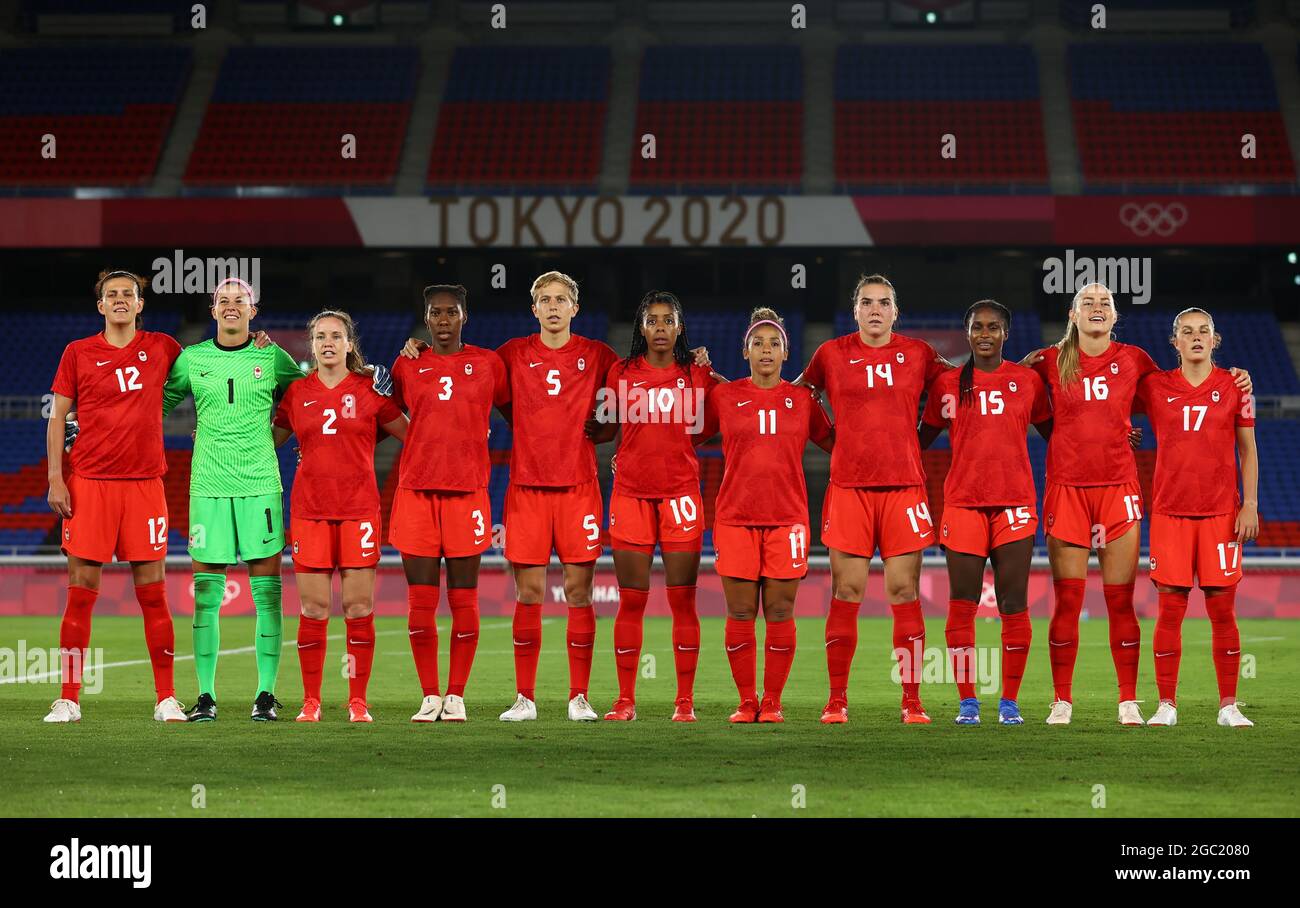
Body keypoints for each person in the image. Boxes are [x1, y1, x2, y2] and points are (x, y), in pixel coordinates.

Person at [163, 276, 393, 722]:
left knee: (267, 595)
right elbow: (153, 406)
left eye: (240, 301)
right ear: (212, 310)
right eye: (223, 301)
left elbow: (317, 390)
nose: (231, 307)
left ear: (254, 310)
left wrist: (366, 376)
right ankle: (206, 696)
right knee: (206, 597)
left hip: (262, 484)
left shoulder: (272, 357)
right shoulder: (191, 359)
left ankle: (265, 695)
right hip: (208, 484)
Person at [1026, 283, 1252, 726]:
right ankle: (1062, 700)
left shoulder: (1135, 360)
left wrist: (1236, 377)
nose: (1096, 308)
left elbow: (1175, 398)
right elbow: (1016, 394)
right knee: (1067, 602)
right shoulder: (1048, 361)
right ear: (1072, 315)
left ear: (1114, 316)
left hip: (1120, 489)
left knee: (1120, 601)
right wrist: (1066, 440)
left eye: (1104, 303)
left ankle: (1128, 699)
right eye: (1087, 303)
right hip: (1066, 490)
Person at [796, 274, 949, 724]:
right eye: (867, 302)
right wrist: (831, 442)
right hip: (849, 489)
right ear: (855, 311)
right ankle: (837, 700)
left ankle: (912, 701)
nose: (875, 309)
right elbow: (799, 396)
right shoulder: (831, 353)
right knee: (847, 590)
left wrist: (921, 437)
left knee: (904, 591)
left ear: (895, 312)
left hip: (903, 487)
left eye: (884, 303)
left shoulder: (918, 353)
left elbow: (959, 386)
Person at [43, 270, 185, 723]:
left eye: (129, 294)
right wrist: (55, 478)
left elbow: (210, 367)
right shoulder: (78, 352)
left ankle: (165, 697)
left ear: (140, 304)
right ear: (100, 306)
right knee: (81, 592)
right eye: (112, 295)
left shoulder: (164, 347)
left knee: (154, 595)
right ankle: (68, 697)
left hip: (145, 485)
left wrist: (253, 343)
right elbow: (56, 417)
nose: (120, 299)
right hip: (90, 483)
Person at [489, 272, 619, 722]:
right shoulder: (512, 354)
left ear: (575, 307)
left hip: (579, 490)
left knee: (579, 592)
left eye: (561, 299)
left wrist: (601, 433)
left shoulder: (598, 355)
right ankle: (525, 698)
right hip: (526, 490)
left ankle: (578, 697)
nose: (553, 307)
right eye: (544, 299)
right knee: (529, 594)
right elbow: (467, 371)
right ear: (534, 309)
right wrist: (420, 350)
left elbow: (635, 388)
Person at [918, 301, 1052, 726]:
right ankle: (968, 701)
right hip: (963, 504)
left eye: (994, 327)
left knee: (1014, 604)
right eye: (978, 327)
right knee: (963, 605)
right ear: (968, 332)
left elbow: (1059, 437)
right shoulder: (947, 385)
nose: (985, 333)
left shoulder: (1027, 382)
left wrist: (1112, 435)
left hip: (1014, 503)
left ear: (1006, 334)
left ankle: (1009, 702)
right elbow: (917, 441)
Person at [591, 291, 722, 722]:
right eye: (653, 320)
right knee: (632, 601)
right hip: (630, 495)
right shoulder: (621, 372)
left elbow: (723, 420)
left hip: (681, 495)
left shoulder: (698, 373)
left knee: (683, 602)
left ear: (680, 327)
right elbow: (608, 427)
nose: (661, 327)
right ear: (641, 327)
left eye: (669, 320)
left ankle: (684, 702)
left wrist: (682, 446)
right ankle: (625, 700)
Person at [272, 310, 407, 723]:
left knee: (357, 607)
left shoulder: (369, 391)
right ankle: (311, 702)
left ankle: (357, 702)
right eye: (320, 337)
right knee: (313, 609)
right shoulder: (296, 394)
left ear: (350, 344)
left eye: (336, 336)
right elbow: (265, 441)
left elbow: (414, 433)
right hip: (310, 511)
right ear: (311, 345)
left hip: (359, 511)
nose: (328, 343)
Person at [703, 307, 833, 723]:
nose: (765, 350)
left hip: (787, 519)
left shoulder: (802, 400)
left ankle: (772, 701)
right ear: (745, 351)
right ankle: (746, 701)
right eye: (757, 343)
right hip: (736, 517)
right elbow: (682, 437)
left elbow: (839, 445)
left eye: (774, 343)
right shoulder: (723, 396)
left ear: (786, 352)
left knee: (779, 611)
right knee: (740, 612)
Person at [389, 285, 508, 723]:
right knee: (420, 602)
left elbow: (523, 411)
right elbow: (378, 411)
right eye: (435, 313)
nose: (442, 320)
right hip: (416, 492)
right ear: (425, 318)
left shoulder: (488, 364)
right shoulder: (408, 363)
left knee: (463, 598)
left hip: (468, 493)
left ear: (464, 316)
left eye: (451, 312)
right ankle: (429, 695)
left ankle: (456, 694)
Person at [1138, 308, 1258, 728]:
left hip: (1221, 514)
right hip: (1170, 513)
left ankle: (1228, 705)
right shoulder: (1154, 386)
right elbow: (1111, 409)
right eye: (1186, 332)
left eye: (1203, 331)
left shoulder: (1235, 385)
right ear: (1174, 342)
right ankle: (1166, 705)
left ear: (1215, 340)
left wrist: (1250, 504)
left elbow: (1247, 448)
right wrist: (1126, 433)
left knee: (1222, 611)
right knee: (1169, 612)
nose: (1195, 338)